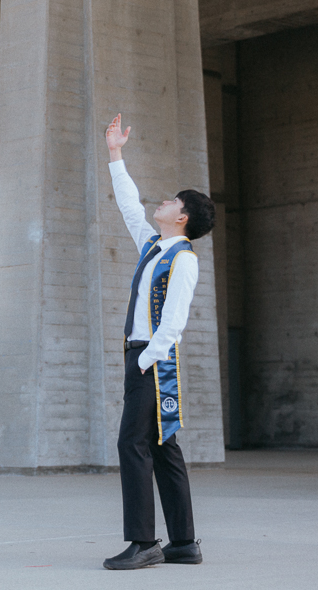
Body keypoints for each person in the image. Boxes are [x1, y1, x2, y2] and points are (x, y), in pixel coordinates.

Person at [101, 113, 215, 571]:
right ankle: (183, 543)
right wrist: (115, 153)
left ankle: (144, 542)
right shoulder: (153, 246)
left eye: (171, 201)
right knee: (164, 446)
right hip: (147, 359)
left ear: (181, 217)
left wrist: (145, 360)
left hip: (151, 360)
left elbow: (174, 322)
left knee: (132, 445)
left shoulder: (183, 260)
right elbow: (129, 205)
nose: (162, 202)